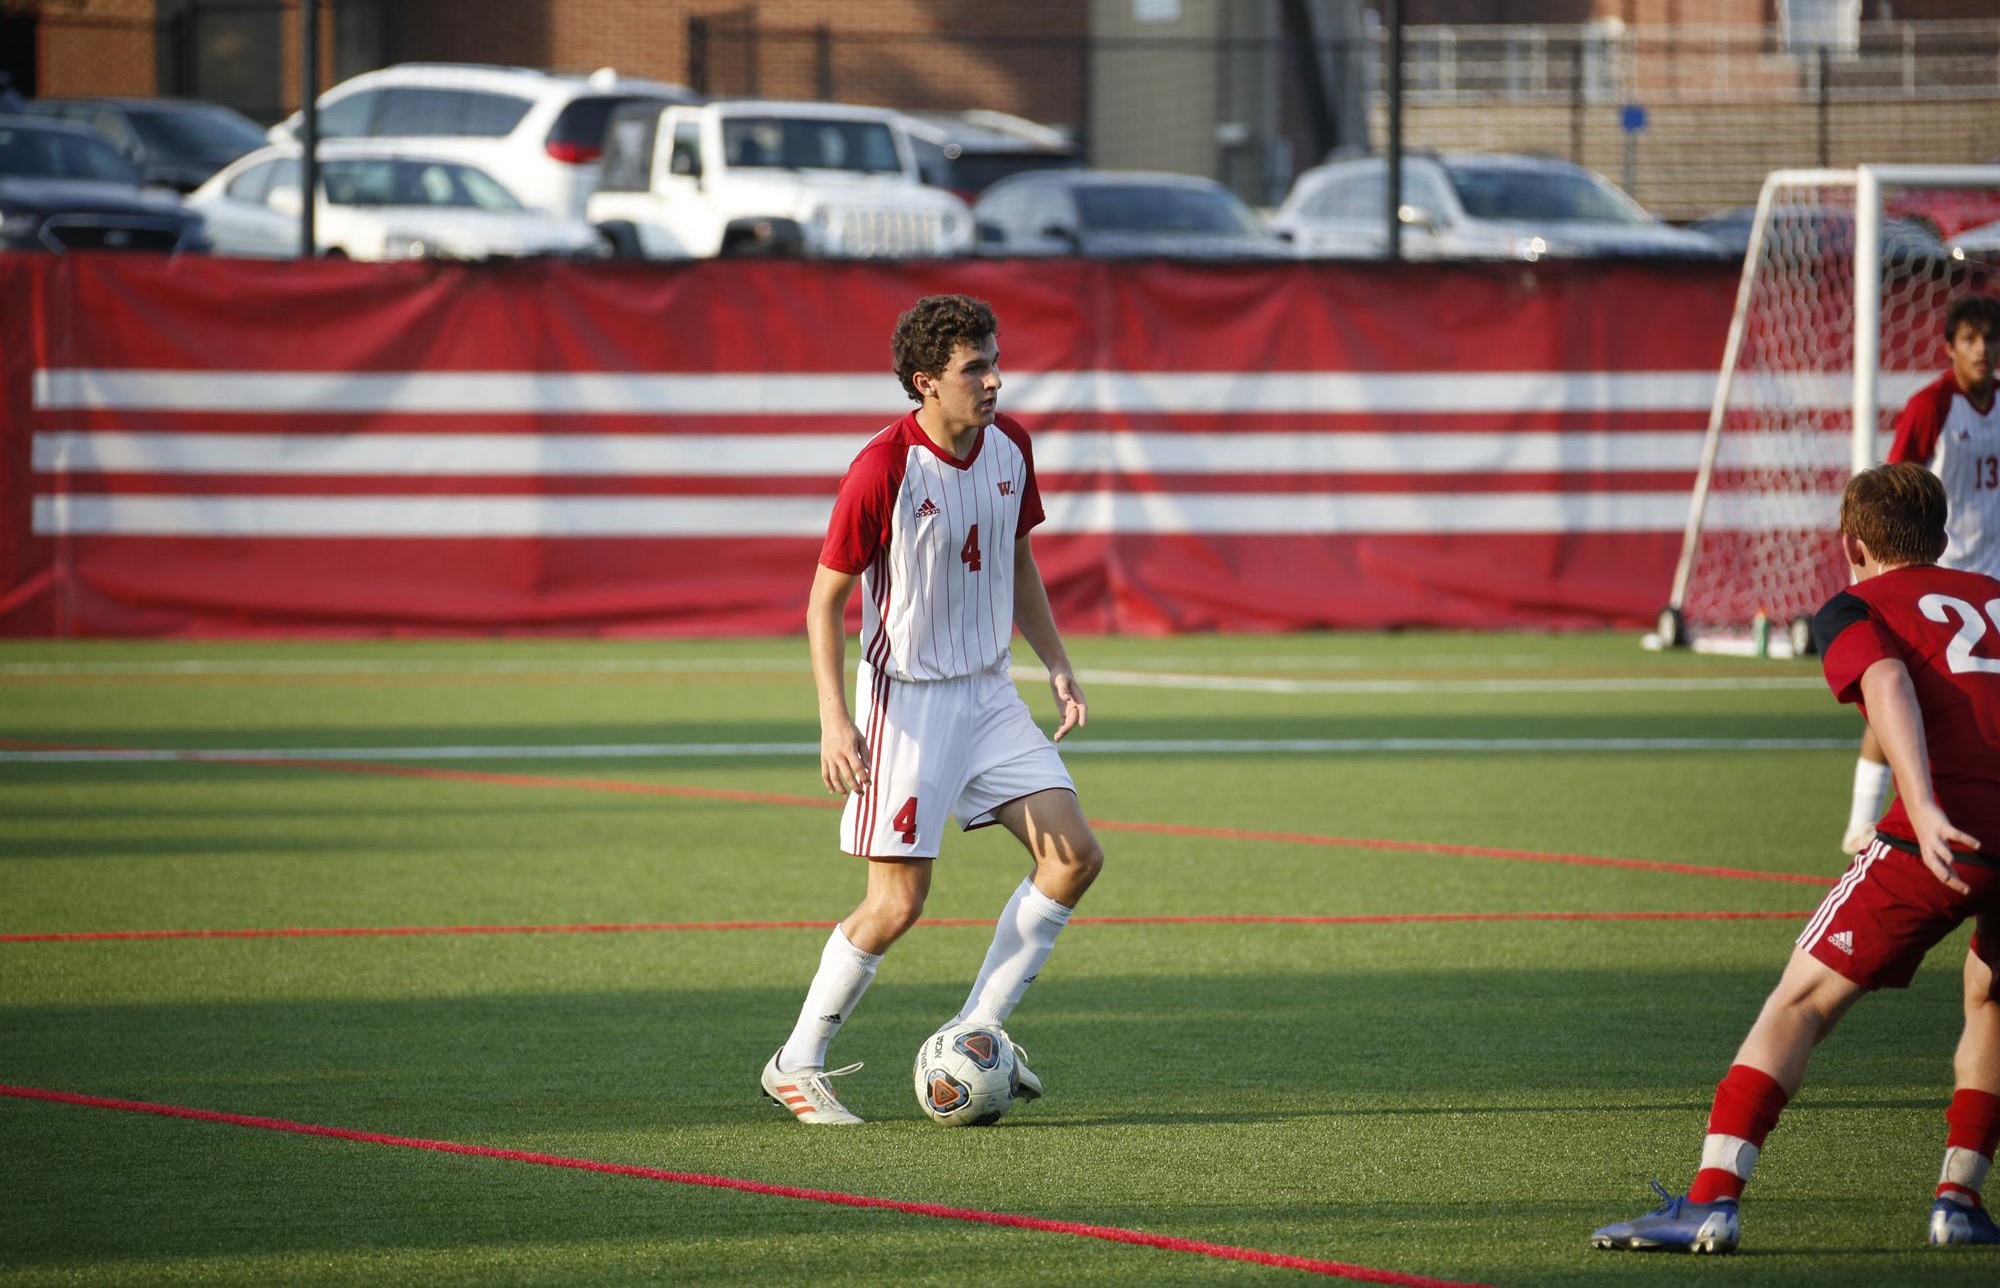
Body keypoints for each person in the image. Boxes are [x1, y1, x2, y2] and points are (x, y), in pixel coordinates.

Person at [1592, 463, 2000, 1253]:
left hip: (1940, 835)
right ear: (1944, 538)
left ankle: (1711, 1200)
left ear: (1851, 546)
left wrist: (1920, 803)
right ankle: (1959, 1200)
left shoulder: (1855, 605)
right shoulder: (1992, 594)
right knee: (1991, 997)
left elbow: (1886, 679)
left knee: (1800, 1002)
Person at [760, 294, 1104, 1125]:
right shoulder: (882, 469)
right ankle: (794, 1064)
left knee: (1073, 858)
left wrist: (1056, 662)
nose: (994, 380)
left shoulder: (1011, 446)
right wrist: (834, 719)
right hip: (906, 706)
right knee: (897, 904)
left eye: (995, 361)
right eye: (974, 368)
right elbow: (823, 603)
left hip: (988, 694)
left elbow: (1018, 562)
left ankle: (977, 1030)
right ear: (925, 383)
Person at [1841, 295, 2000, 854]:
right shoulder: (1932, 405)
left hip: (1994, 581)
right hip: (1939, 573)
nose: (1982, 350)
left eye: (1990, 338)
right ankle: (1861, 824)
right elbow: (1896, 488)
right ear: (1950, 347)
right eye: (1970, 339)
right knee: (1907, 689)